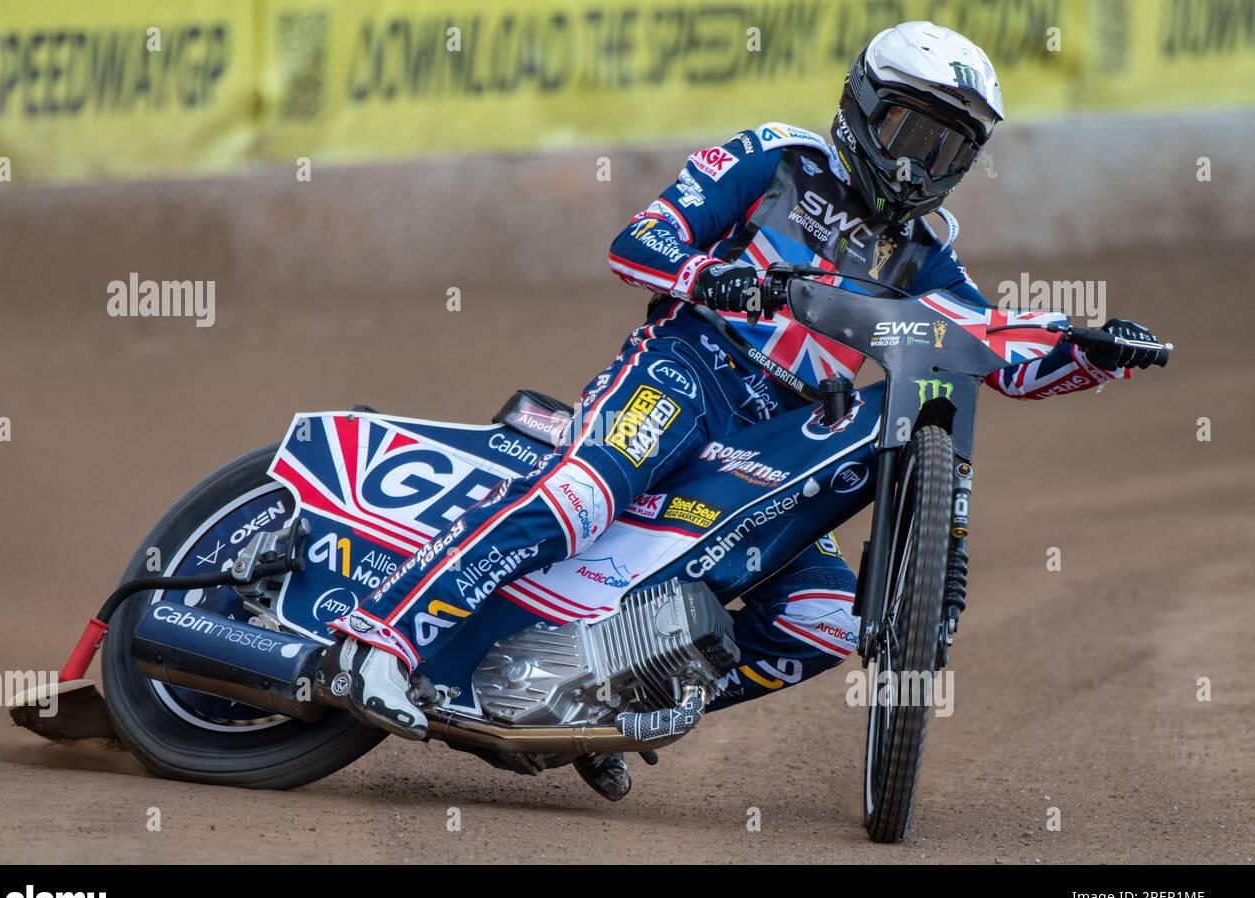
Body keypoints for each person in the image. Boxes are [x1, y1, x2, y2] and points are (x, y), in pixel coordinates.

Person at [327, 21, 1161, 775]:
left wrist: (1086, 346)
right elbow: (638, 243)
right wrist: (712, 276)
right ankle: (379, 641)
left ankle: (613, 710)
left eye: (949, 153)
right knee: (583, 490)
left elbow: (997, 350)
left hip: (781, 438)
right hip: (688, 367)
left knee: (828, 618)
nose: (921, 166)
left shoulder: (928, 259)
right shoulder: (780, 158)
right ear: (864, 107)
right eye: (913, 134)